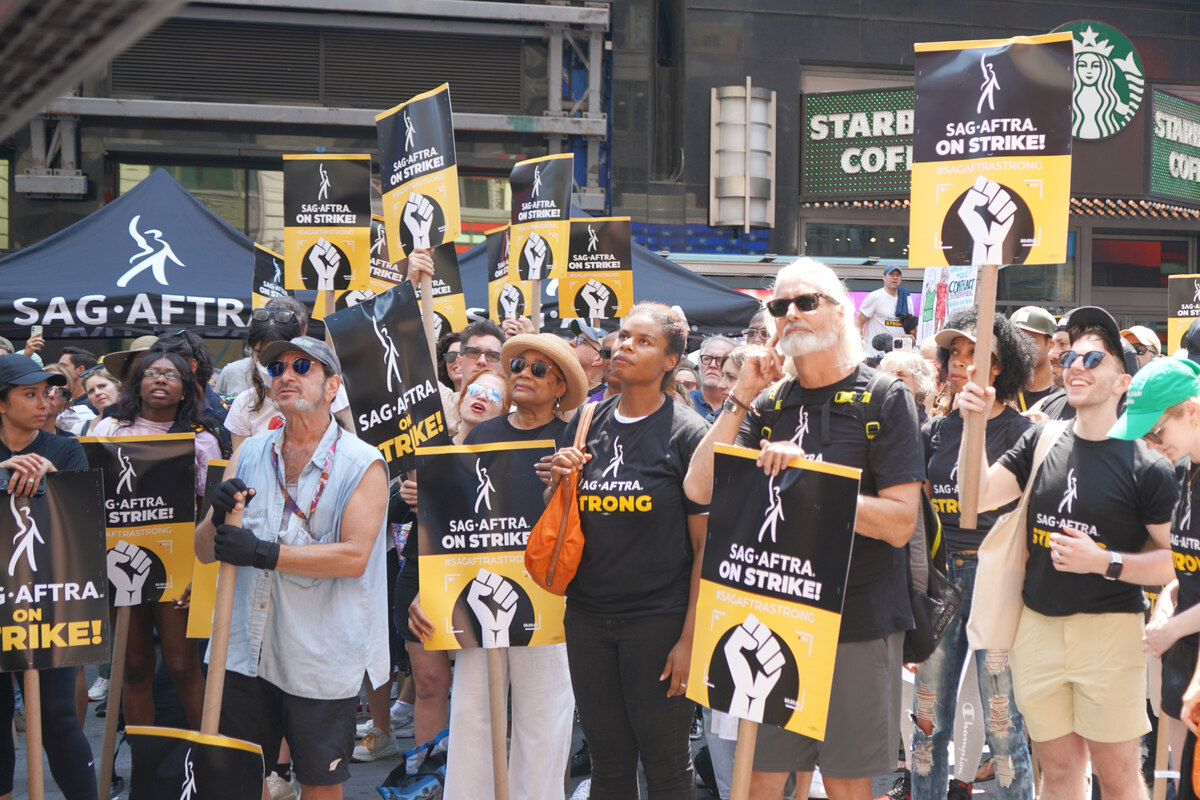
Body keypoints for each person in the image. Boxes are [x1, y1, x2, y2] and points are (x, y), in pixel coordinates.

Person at [684, 256, 924, 800]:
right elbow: (700, 487)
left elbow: (899, 522)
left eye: (805, 302)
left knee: (844, 784)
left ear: (839, 314)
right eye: (778, 306)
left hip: (857, 620)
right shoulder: (768, 404)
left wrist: (812, 480)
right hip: (774, 616)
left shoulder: (885, 397)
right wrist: (743, 390)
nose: (790, 313)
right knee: (759, 781)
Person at [958, 306, 1179, 800]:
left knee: (1117, 773)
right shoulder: (1040, 439)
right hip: (1037, 627)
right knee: (1057, 772)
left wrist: (1106, 562)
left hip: (1110, 633)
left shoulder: (1146, 465)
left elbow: (1179, 561)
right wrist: (973, 424)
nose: (1076, 365)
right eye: (1072, 355)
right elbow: (975, 499)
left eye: (1094, 358)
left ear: (1122, 382)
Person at [195, 336, 389, 800]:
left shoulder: (363, 461)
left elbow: (353, 556)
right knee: (245, 780)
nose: (286, 374)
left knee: (320, 784)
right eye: (276, 367)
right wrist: (217, 515)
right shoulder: (249, 451)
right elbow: (204, 550)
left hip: (318, 655)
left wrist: (263, 552)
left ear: (333, 385)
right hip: (245, 649)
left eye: (303, 366)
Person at [414, 333, 586, 799]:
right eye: (518, 367)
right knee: (472, 712)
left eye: (538, 370)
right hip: (480, 591)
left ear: (560, 388)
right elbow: (456, 523)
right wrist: (427, 590)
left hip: (550, 595)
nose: (524, 375)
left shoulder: (574, 440)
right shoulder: (484, 435)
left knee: (544, 716)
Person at [549, 302, 710, 797]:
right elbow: (568, 519)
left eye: (643, 341)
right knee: (607, 762)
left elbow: (706, 548)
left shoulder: (688, 433)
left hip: (659, 622)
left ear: (670, 361)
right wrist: (557, 478)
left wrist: (689, 641)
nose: (624, 347)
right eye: (622, 336)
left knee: (665, 763)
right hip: (588, 618)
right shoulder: (587, 422)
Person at [909, 310, 1036, 800]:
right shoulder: (933, 432)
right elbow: (918, 514)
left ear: (1000, 366)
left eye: (974, 354)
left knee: (1003, 726)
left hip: (998, 580)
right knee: (926, 724)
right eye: (954, 353)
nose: (961, 363)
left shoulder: (1025, 432)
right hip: (940, 582)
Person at [90, 351, 224, 730]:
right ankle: (145, 765)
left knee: (183, 665)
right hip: (119, 560)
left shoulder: (203, 441)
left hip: (179, 565)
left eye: (171, 375)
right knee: (133, 668)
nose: (161, 379)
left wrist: (202, 572)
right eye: (152, 373)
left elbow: (211, 511)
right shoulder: (109, 431)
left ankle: (206, 764)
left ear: (186, 390)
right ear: (137, 383)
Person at [396, 366, 513, 749]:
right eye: (475, 389)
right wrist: (409, 499)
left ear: (507, 410)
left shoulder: (505, 458)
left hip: (480, 577)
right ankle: (425, 776)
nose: (481, 397)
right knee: (430, 683)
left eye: (494, 395)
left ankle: (477, 772)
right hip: (420, 570)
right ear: (461, 397)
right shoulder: (427, 450)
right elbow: (393, 512)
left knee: (479, 688)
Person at [0, 354, 98, 800]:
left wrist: (56, 482)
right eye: (30, 394)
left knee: (59, 716)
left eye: (48, 393)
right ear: (2, 403)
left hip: (50, 599)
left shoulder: (64, 448)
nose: (44, 403)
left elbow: (86, 519)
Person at [1107, 357, 1200, 794]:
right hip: (1183, 656)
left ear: (1192, 412)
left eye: (1157, 431)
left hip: (1184, 642)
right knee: (1179, 784)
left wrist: (1173, 625)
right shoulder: (1183, 473)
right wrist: (1170, 593)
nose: (1152, 444)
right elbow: (1187, 561)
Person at [1010, 306, 1063, 411]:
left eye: (1029, 339)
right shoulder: (1002, 393)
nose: (1020, 346)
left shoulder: (1066, 395)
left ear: (1050, 344)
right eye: (1015, 339)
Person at [857, 265, 908, 358]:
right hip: (875, 356)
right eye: (891, 274)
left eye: (898, 275)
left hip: (899, 357)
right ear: (884, 277)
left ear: (901, 279)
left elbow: (909, 328)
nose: (895, 277)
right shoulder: (875, 296)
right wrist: (859, 346)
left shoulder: (906, 299)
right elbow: (858, 322)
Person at [878, 348, 937, 426]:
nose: (893, 380)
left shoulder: (929, 427)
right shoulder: (875, 422)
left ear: (918, 383)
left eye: (901, 375)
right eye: (890, 374)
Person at [691, 336, 736, 422]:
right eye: (707, 358)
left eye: (720, 360)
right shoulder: (684, 401)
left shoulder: (742, 407)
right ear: (699, 364)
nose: (712, 365)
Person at [569, 320, 606, 395]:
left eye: (581, 341)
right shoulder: (558, 390)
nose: (571, 342)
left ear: (598, 359)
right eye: (575, 338)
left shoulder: (608, 401)